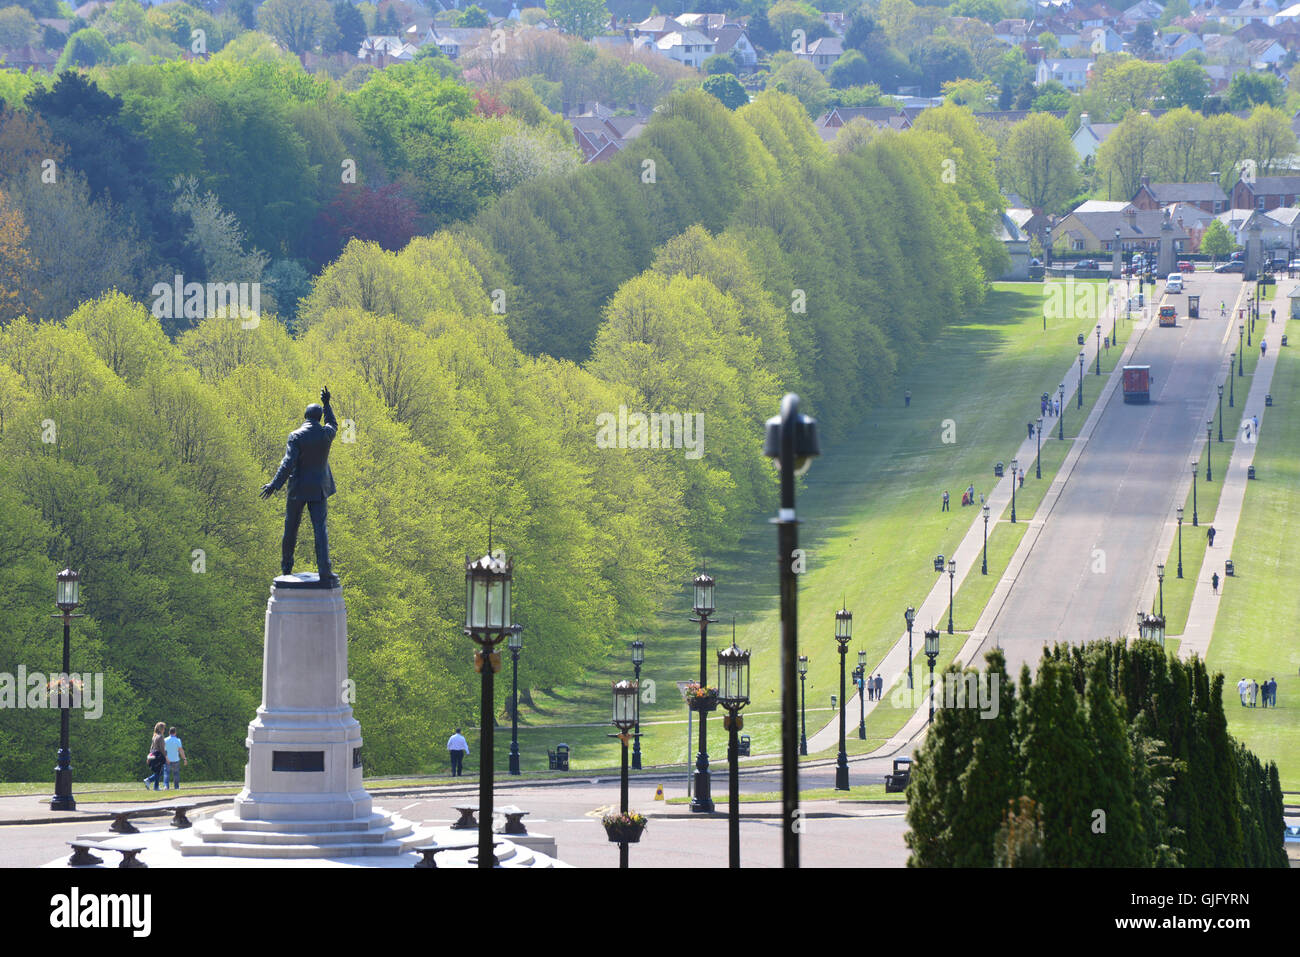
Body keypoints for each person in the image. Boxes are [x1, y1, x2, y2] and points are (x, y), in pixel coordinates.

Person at [260, 386, 338, 580]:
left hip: (299, 488)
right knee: (320, 528)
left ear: (305, 416)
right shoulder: (326, 434)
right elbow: (333, 423)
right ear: (319, 417)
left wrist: (274, 484)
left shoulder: (296, 436)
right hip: (319, 488)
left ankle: (286, 568)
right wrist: (327, 404)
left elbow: (288, 463)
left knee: (291, 527)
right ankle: (324, 570)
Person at [143, 721, 167, 790]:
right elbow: (162, 748)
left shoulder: (154, 736)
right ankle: (150, 781)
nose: (164, 730)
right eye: (164, 728)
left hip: (153, 754)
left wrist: (149, 757)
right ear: (161, 729)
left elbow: (151, 748)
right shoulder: (161, 737)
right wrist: (165, 756)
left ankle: (155, 786)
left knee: (158, 771)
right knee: (159, 771)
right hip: (159, 755)